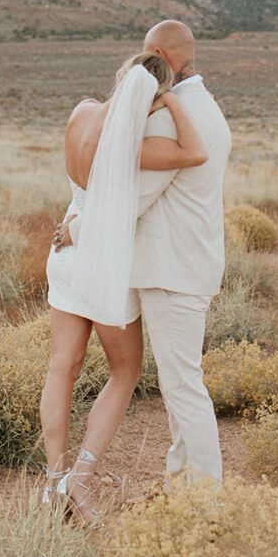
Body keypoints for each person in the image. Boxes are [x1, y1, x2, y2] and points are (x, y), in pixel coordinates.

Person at [40, 50, 208, 521]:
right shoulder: (131, 144)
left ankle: (54, 483)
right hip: (105, 259)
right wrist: (173, 102)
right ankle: (82, 483)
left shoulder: (82, 112)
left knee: (61, 367)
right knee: (124, 371)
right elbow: (196, 152)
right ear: (152, 96)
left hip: (65, 249)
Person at [130, 20, 233, 486]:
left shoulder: (172, 115)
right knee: (178, 387)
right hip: (191, 262)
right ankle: (181, 487)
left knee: (185, 389)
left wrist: (81, 225)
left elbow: (139, 196)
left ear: (156, 53)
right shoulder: (205, 107)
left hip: (173, 268)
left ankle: (206, 500)